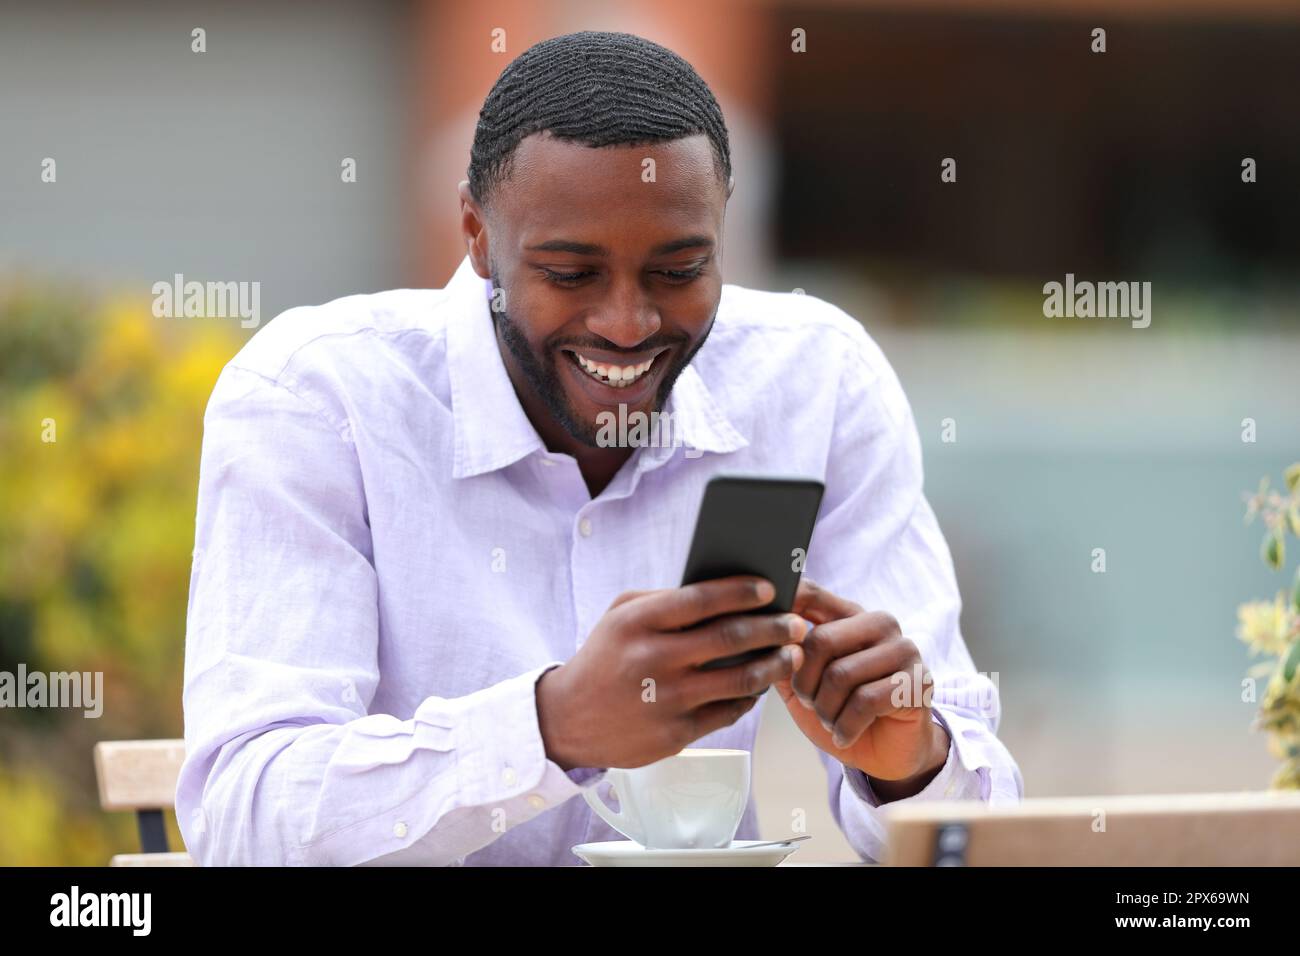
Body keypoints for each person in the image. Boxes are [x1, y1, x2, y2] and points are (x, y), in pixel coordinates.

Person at [176, 30, 1022, 866]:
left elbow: (981, 837)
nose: (627, 325)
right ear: (476, 234)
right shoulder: (319, 399)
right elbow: (244, 818)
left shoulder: (817, 382)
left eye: (678, 270)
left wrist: (912, 764)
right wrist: (551, 727)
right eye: (571, 274)